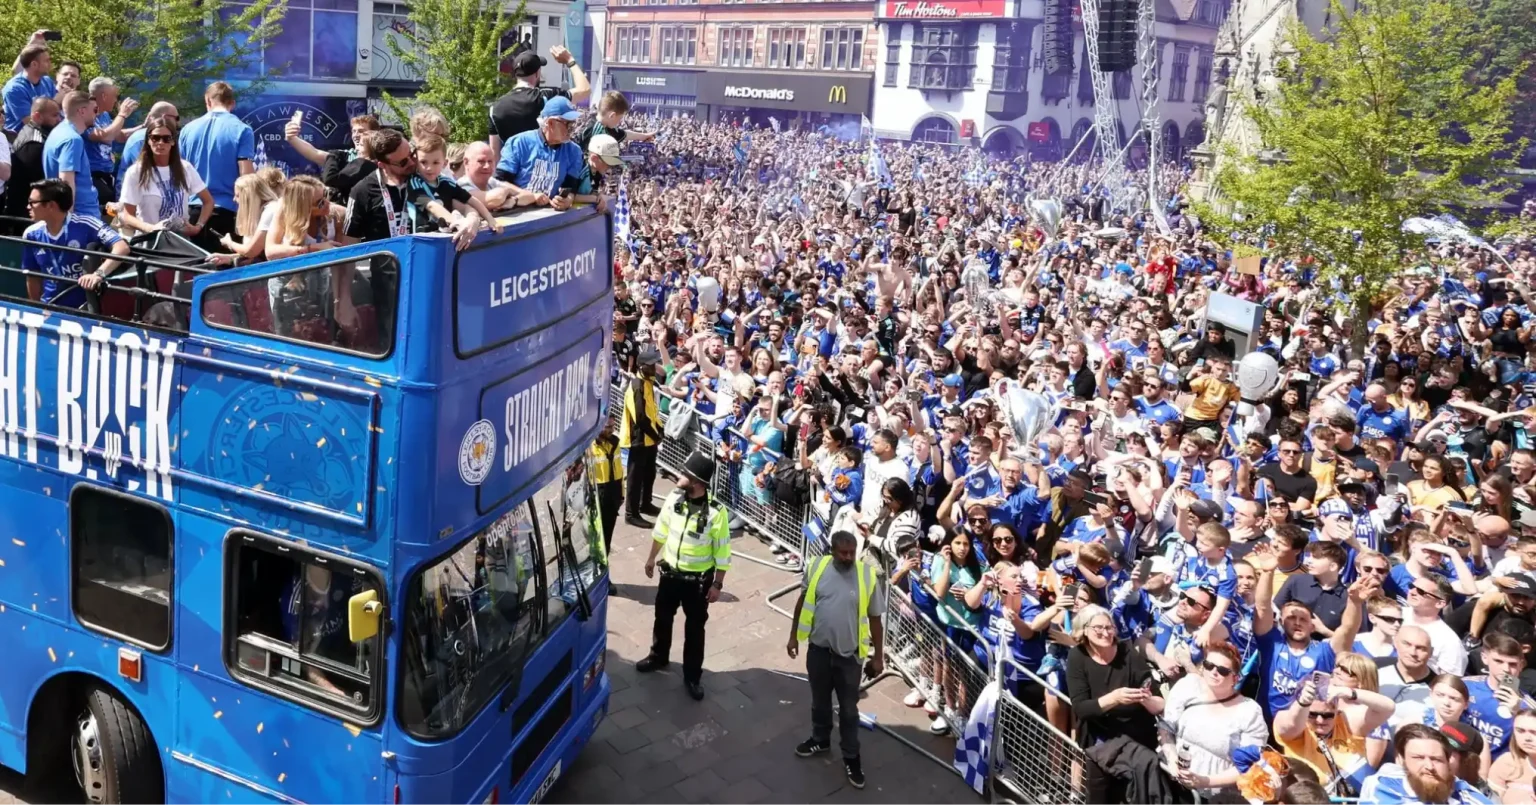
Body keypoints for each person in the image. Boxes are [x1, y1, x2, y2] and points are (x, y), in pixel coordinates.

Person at [786, 529, 885, 791]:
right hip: (818, 652)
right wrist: (794, 636)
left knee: (850, 710)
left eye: (852, 552)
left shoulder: (866, 575)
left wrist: (879, 656)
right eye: (843, 553)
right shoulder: (816, 567)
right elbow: (802, 601)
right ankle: (820, 739)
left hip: (850, 657)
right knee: (819, 701)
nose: (849, 557)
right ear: (832, 551)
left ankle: (852, 757)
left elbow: (876, 619)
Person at [638, 452, 731, 702]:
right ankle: (658, 656)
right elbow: (662, 530)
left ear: (698, 482)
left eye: (685, 474)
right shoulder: (673, 498)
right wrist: (650, 558)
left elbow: (722, 551)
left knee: (695, 629)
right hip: (669, 574)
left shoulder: (716, 513)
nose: (680, 476)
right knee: (662, 617)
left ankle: (692, 676)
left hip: (697, 583)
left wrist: (718, 584)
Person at [1066, 603, 1163, 804]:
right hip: (1100, 743)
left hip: (1137, 740)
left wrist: (1144, 697)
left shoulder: (1128, 653)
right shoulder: (1078, 656)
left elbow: (1159, 702)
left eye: (1109, 627)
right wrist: (1114, 698)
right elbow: (1082, 709)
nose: (1105, 632)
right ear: (1084, 630)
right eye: (1098, 628)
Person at [1162, 641, 1270, 798]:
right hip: (1171, 782)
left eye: (1223, 671)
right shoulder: (1188, 685)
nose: (1214, 672)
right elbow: (1166, 727)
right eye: (1209, 665)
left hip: (1216, 795)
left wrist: (1204, 781)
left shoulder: (1250, 712)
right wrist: (1171, 759)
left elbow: (1248, 765)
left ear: (1235, 678)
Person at [341, 129, 478, 251]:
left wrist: (473, 219)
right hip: (388, 275)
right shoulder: (361, 192)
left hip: (430, 267)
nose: (412, 162)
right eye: (403, 162)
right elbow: (348, 250)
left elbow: (464, 205)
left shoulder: (426, 177)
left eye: (411, 154)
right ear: (382, 165)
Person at [21, 178, 129, 308]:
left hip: (86, 309)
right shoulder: (31, 234)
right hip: (50, 309)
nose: (28, 207)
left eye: (32, 202)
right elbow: (32, 276)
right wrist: (37, 308)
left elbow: (122, 247)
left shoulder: (87, 224)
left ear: (51, 205)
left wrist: (98, 274)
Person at [177, 82, 254, 240]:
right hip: (227, 211)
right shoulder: (242, 130)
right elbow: (246, 177)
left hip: (192, 211)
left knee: (192, 264)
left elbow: (179, 174)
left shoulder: (187, 130)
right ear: (232, 103)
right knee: (226, 263)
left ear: (208, 100)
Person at [118, 115, 214, 238]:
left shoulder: (185, 168)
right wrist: (150, 228)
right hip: (150, 241)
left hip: (181, 241)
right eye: (155, 138)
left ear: (173, 141)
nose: (160, 143)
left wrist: (198, 226)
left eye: (166, 139)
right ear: (148, 140)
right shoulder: (136, 172)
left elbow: (208, 201)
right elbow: (127, 215)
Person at [1358, 723, 1496, 805]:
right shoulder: (1380, 785)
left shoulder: (1469, 798)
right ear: (1402, 759)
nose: (1429, 766)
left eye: (1436, 759)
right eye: (1418, 758)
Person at [488, 46, 590, 152]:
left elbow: (494, 154)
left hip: (511, 166)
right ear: (537, 73)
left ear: (515, 74)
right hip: (543, 165)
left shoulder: (494, 108)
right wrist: (570, 60)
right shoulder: (546, 97)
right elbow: (585, 89)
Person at [494, 97, 587, 209]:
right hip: (516, 212)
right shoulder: (519, 143)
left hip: (549, 216)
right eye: (567, 123)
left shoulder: (574, 151)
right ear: (550, 123)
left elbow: (571, 186)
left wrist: (568, 200)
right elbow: (499, 182)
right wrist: (531, 196)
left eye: (573, 123)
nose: (571, 128)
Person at [42, 91, 102, 220]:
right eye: (95, 110)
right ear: (82, 111)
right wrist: (68, 221)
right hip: (81, 217)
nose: (97, 114)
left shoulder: (58, 132)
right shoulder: (72, 139)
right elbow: (66, 182)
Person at [622, 346, 664, 527]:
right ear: (641, 367)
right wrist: (655, 434)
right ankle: (631, 513)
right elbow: (640, 417)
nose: (654, 367)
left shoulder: (649, 382)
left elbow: (652, 410)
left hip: (650, 439)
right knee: (635, 477)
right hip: (638, 439)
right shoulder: (636, 386)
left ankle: (645, 503)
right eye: (650, 365)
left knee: (649, 474)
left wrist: (659, 429)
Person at [83, 76, 138, 205]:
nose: (116, 100)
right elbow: (104, 136)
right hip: (92, 174)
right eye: (114, 96)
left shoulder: (105, 115)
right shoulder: (87, 114)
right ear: (103, 96)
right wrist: (122, 115)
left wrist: (144, 127)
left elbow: (119, 136)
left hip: (107, 173)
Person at [4, 96, 58, 220]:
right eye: (54, 115)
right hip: (26, 212)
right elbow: (37, 179)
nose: (58, 119)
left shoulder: (32, 131)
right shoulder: (34, 142)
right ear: (37, 116)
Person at [116, 101, 178, 189]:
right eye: (176, 118)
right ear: (165, 117)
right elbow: (146, 171)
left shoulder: (161, 137)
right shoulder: (142, 138)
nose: (177, 123)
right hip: (134, 194)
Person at [587, 417, 624, 556]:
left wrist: (621, 494)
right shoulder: (590, 446)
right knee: (595, 536)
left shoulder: (615, 443)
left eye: (613, 426)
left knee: (607, 535)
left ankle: (604, 568)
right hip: (598, 493)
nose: (611, 430)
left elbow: (620, 470)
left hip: (613, 493)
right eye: (608, 427)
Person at [3, 38, 54, 133]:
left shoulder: (47, 81)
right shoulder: (15, 88)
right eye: (46, 61)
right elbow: (30, 122)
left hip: (43, 133)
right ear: (34, 64)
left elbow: (55, 111)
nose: (50, 64)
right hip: (20, 140)